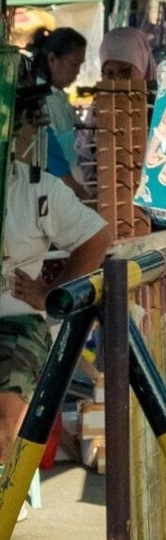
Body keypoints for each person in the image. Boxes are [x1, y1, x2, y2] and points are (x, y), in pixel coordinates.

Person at [1, 75, 108, 479]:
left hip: (16, 323)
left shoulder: (36, 190)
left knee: (7, 417)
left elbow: (97, 237)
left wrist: (52, 292)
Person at [27, 30, 88, 195]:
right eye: (74, 64)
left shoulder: (58, 96)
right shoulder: (42, 101)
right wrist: (77, 193)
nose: (77, 72)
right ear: (52, 59)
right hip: (58, 194)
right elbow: (50, 155)